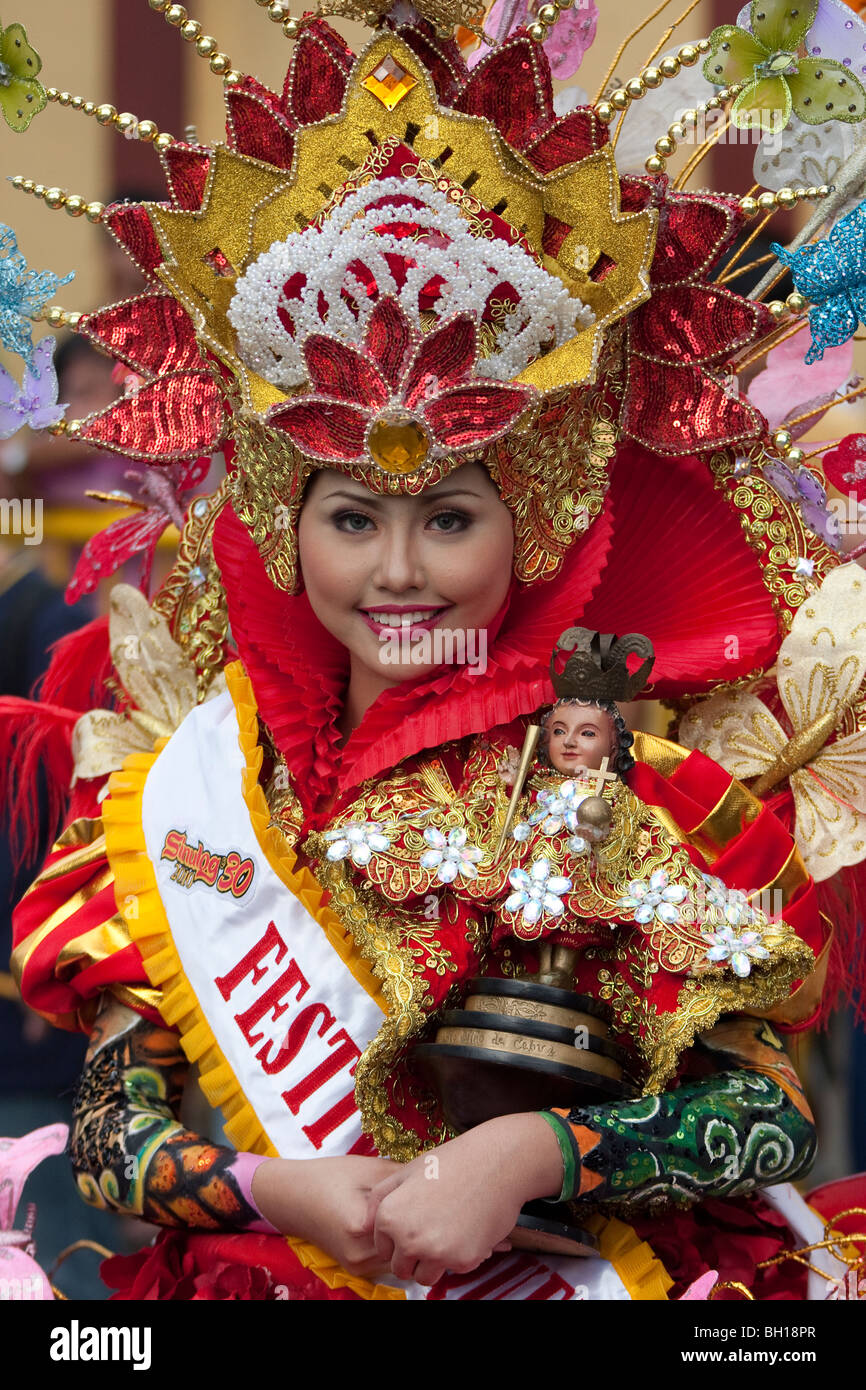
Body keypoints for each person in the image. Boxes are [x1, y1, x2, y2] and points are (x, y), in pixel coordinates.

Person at [5, 10, 865, 1301]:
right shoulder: (178, 790)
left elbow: (763, 1120)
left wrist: (531, 1153)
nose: (398, 572)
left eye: (448, 517)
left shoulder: (629, 787)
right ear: (282, 530)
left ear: (540, 524)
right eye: (353, 518)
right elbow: (118, 1138)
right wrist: (268, 1184)